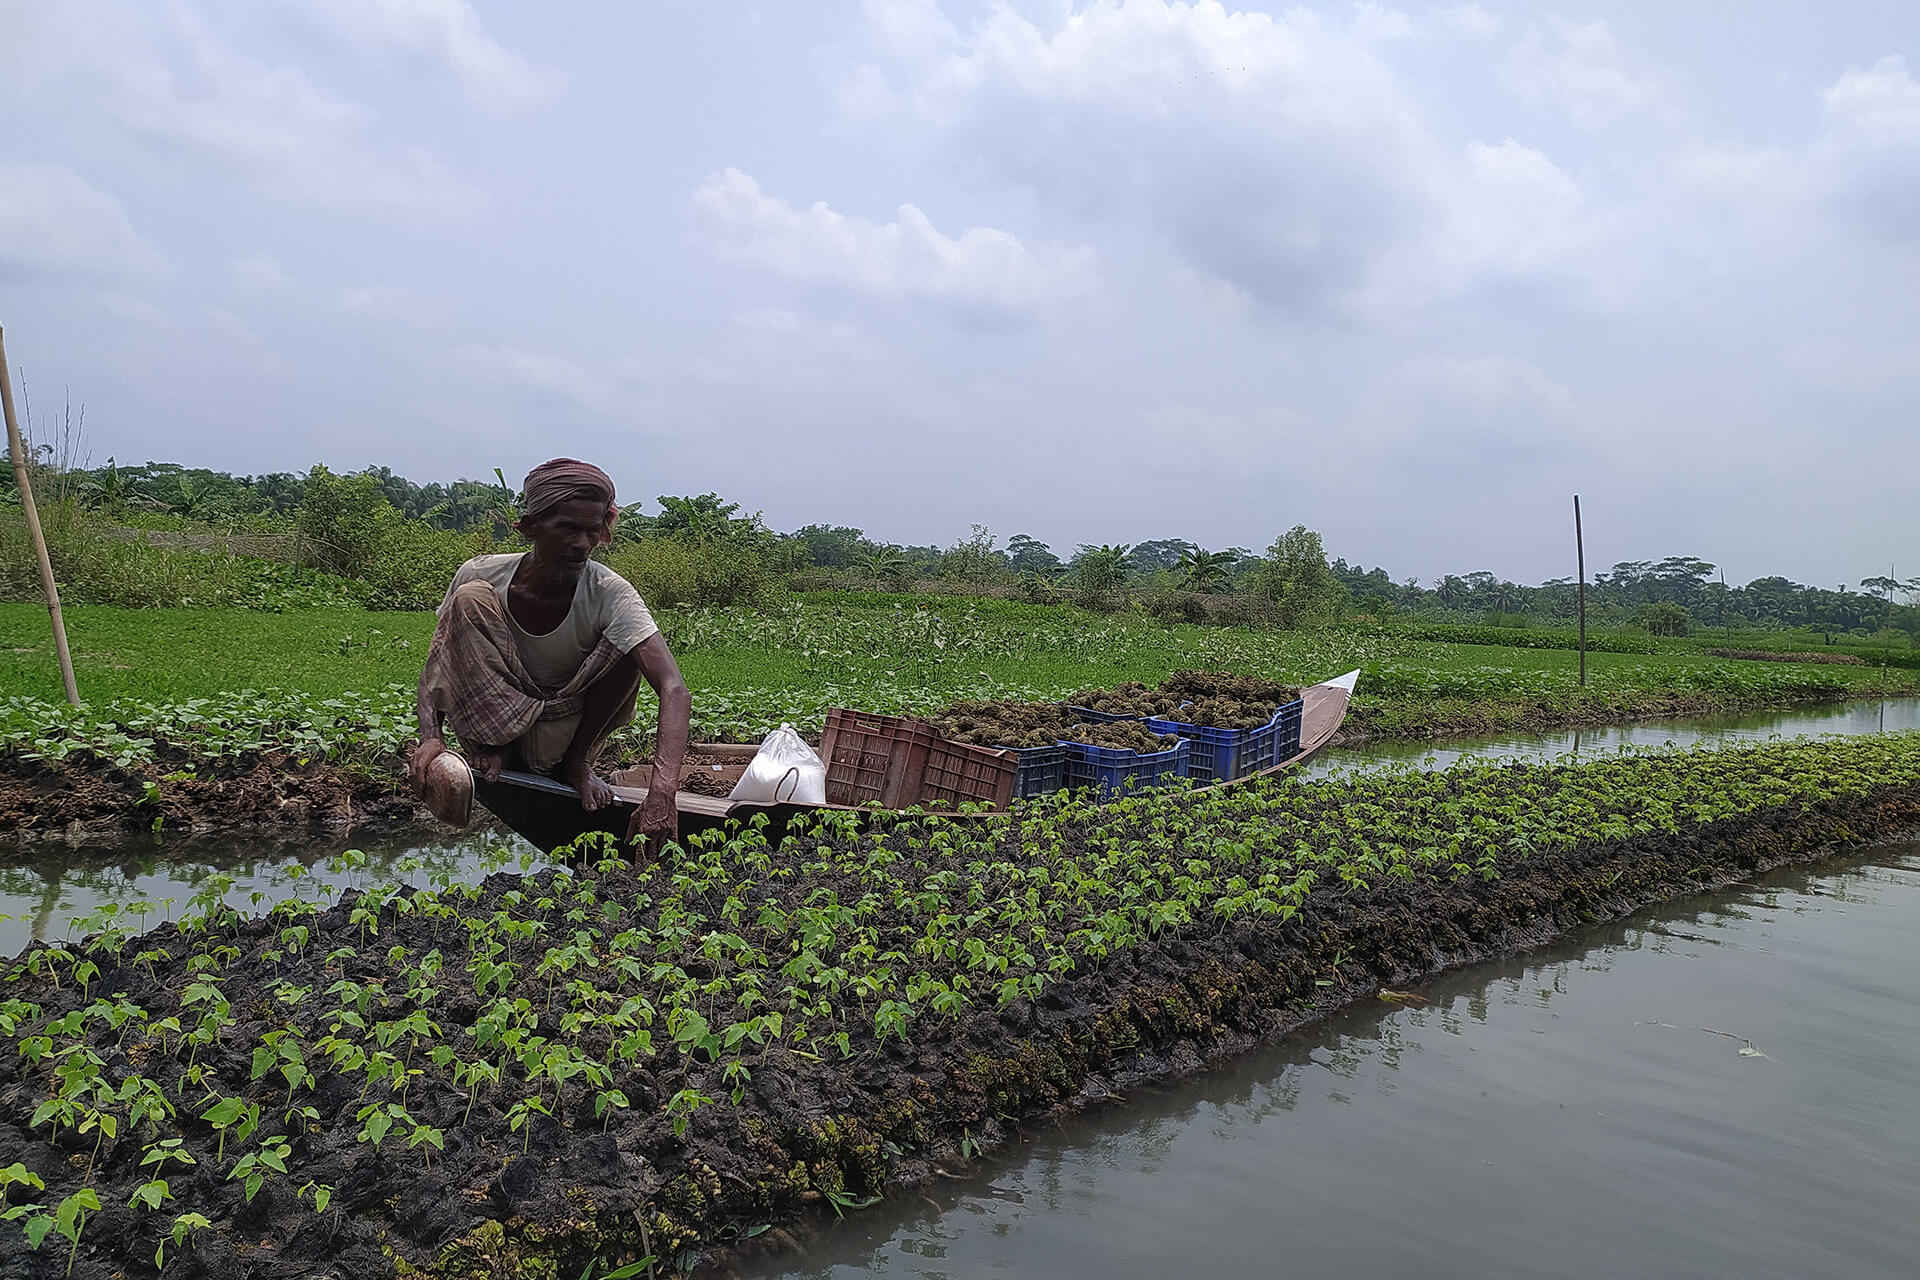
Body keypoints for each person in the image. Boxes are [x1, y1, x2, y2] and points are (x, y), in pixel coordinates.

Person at [408, 458, 690, 851]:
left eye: (593, 530)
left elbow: (674, 687)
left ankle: (578, 764)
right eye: (568, 529)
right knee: (469, 599)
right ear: (530, 527)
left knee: (631, 644)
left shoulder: (609, 593)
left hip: (560, 733)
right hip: (489, 726)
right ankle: (495, 750)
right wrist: (431, 737)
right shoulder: (480, 574)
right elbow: (440, 658)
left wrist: (662, 792)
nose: (582, 543)